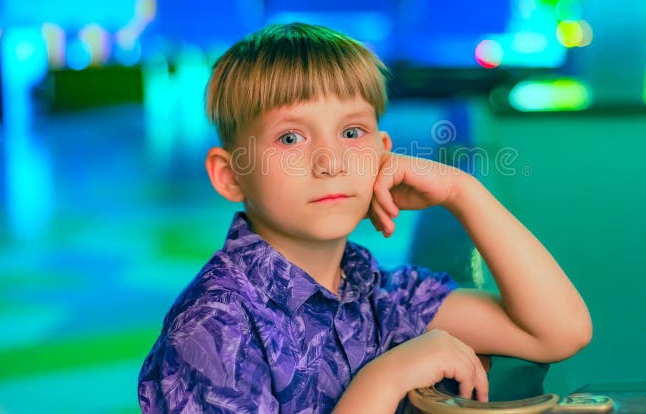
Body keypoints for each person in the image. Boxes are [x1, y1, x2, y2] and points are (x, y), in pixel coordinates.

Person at [137, 23, 592, 413]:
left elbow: (558, 331)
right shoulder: (213, 327)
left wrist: (462, 192)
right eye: (291, 137)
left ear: (382, 152)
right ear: (230, 174)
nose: (330, 161)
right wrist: (384, 379)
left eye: (352, 132)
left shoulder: (377, 295)